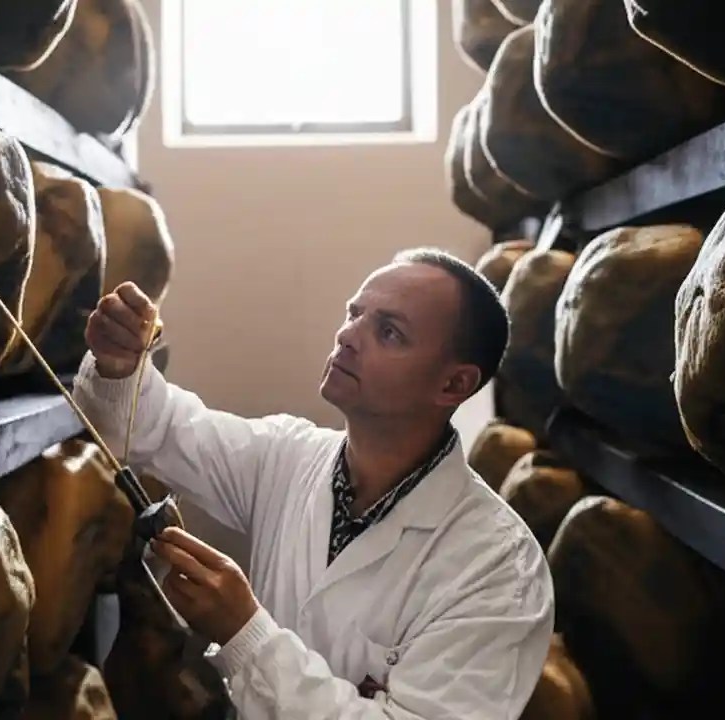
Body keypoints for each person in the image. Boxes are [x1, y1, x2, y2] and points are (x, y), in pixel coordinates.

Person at [72, 247, 554, 719]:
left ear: (453, 386)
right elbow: (151, 427)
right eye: (354, 313)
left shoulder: (500, 568)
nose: (348, 335)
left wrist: (245, 633)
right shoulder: (289, 455)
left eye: (388, 332)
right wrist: (120, 363)